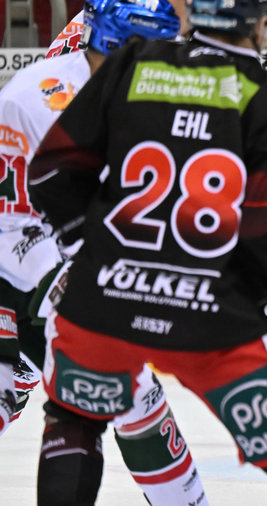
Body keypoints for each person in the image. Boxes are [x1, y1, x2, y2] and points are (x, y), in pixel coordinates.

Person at [26, 0, 267, 505]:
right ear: (261, 25)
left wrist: (99, 254)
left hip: (104, 303)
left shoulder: (133, 64)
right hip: (213, 319)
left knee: (73, 422)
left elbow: (52, 172)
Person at [0, 2, 209, 505]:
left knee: (125, 394)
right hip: (26, 262)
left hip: (51, 262)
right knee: (129, 395)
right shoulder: (49, 97)